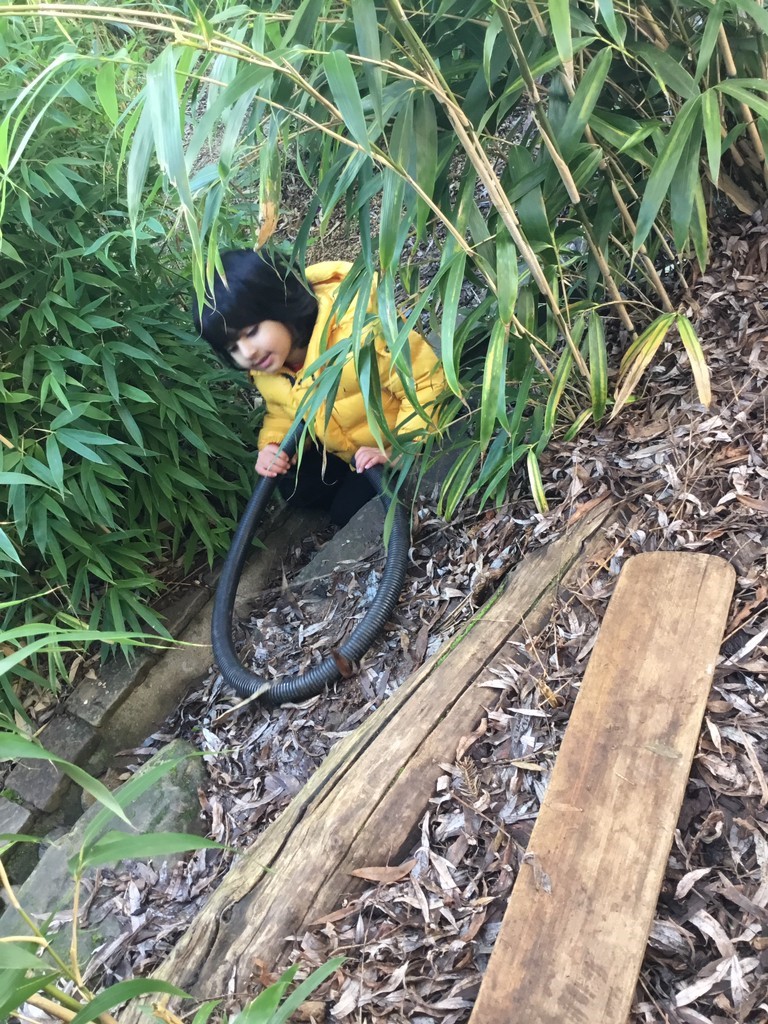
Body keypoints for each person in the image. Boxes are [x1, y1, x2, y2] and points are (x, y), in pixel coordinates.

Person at [195, 249, 446, 526]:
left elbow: (425, 381)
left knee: (345, 513)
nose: (248, 352)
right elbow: (281, 411)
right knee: (294, 489)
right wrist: (274, 445)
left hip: (394, 437)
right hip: (346, 443)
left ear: (281, 304)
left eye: (252, 332)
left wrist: (400, 448)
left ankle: (368, 488)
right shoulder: (269, 368)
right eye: (233, 347)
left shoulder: (357, 336)